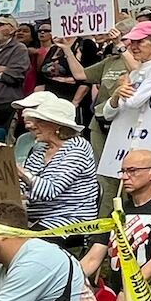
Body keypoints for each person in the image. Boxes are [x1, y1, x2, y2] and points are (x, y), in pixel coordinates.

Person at [78, 145, 151, 301]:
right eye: (123, 171)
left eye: (132, 171)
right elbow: (93, 258)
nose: (125, 177)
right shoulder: (116, 212)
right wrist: (68, 281)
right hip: (117, 294)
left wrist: (128, 293)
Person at [99, 19, 151, 202]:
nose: (134, 46)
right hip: (135, 141)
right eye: (132, 42)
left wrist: (123, 93)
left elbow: (135, 102)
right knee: (135, 194)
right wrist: (116, 95)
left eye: (140, 41)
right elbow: (108, 113)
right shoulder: (135, 73)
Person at [11, 89, 99, 231]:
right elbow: (23, 187)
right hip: (36, 216)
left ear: (57, 125)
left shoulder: (78, 148)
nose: (32, 125)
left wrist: (19, 171)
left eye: (39, 121)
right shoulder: (40, 149)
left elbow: (50, 191)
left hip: (69, 220)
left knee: (10, 243)